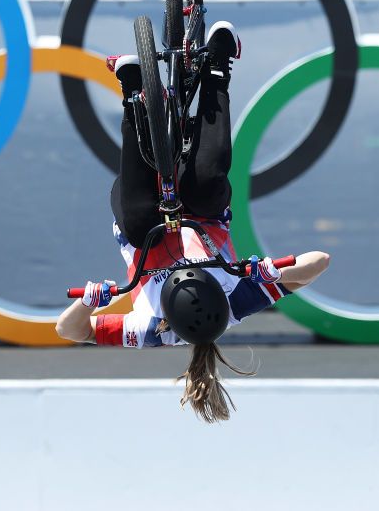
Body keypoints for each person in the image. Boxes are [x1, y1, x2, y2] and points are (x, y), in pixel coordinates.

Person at [56, 21, 330, 423]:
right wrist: (272, 271)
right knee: (206, 185)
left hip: (144, 221)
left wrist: (88, 302)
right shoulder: (235, 304)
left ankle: (133, 92)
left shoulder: (149, 328)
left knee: (137, 221)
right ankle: (217, 69)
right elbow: (318, 262)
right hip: (202, 210)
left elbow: (70, 331)